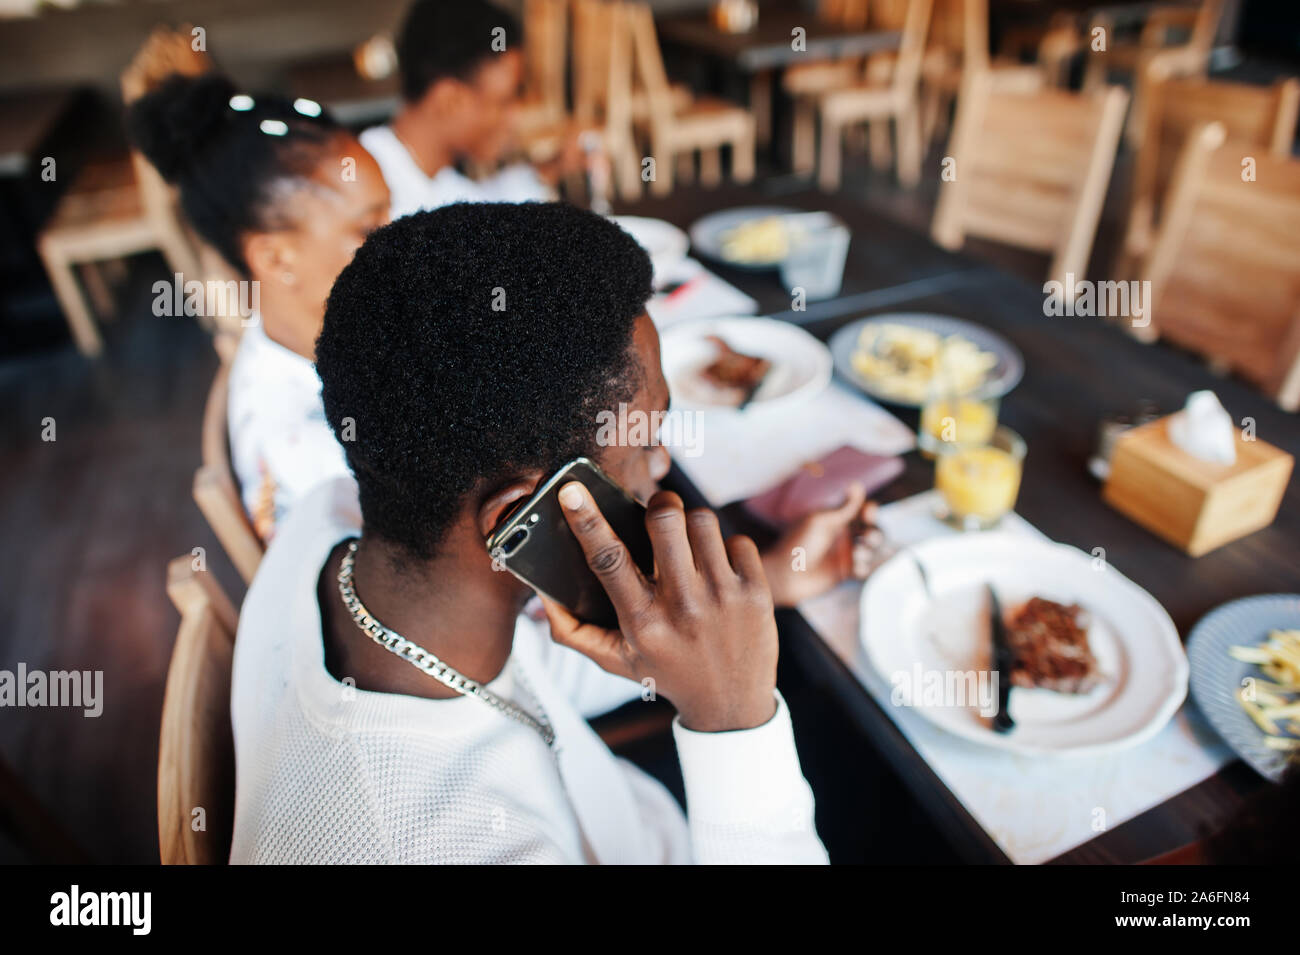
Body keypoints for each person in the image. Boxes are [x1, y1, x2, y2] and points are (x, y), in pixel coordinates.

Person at [230, 202, 875, 863]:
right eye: (647, 439)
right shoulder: (440, 843)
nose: (662, 465)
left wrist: (769, 578)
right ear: (519, 518)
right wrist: (734, 718)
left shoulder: (337, 525)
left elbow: (529, 675)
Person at [129, 73, 390, 540]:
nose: (397, 240)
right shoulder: (304, 451)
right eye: (368, 230)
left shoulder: (341, 329)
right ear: (274, 258)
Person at [359, 0, 585, 219]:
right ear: (450, 100)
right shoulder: (363, 188)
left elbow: (494, 206)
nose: (513, 118)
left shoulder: (439, 181)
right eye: (503, 102)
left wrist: (553, 167)